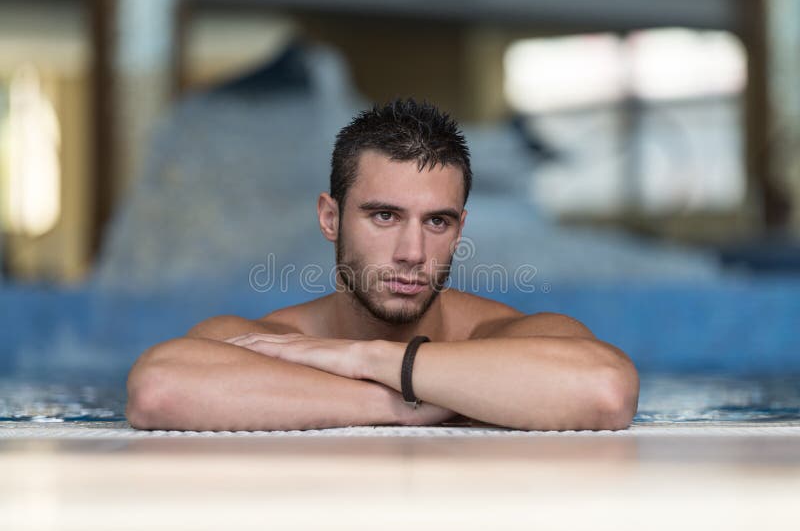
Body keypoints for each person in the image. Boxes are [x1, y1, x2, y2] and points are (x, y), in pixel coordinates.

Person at [125, 99, 639, 432]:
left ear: (459, 231)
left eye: (436, 222)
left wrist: (366, 360)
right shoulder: (266, 340)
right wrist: (395, 404)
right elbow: (158, 389)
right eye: (385, 216)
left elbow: (605, 389)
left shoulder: (506, 334)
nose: (412, 252)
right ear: (331, 218)